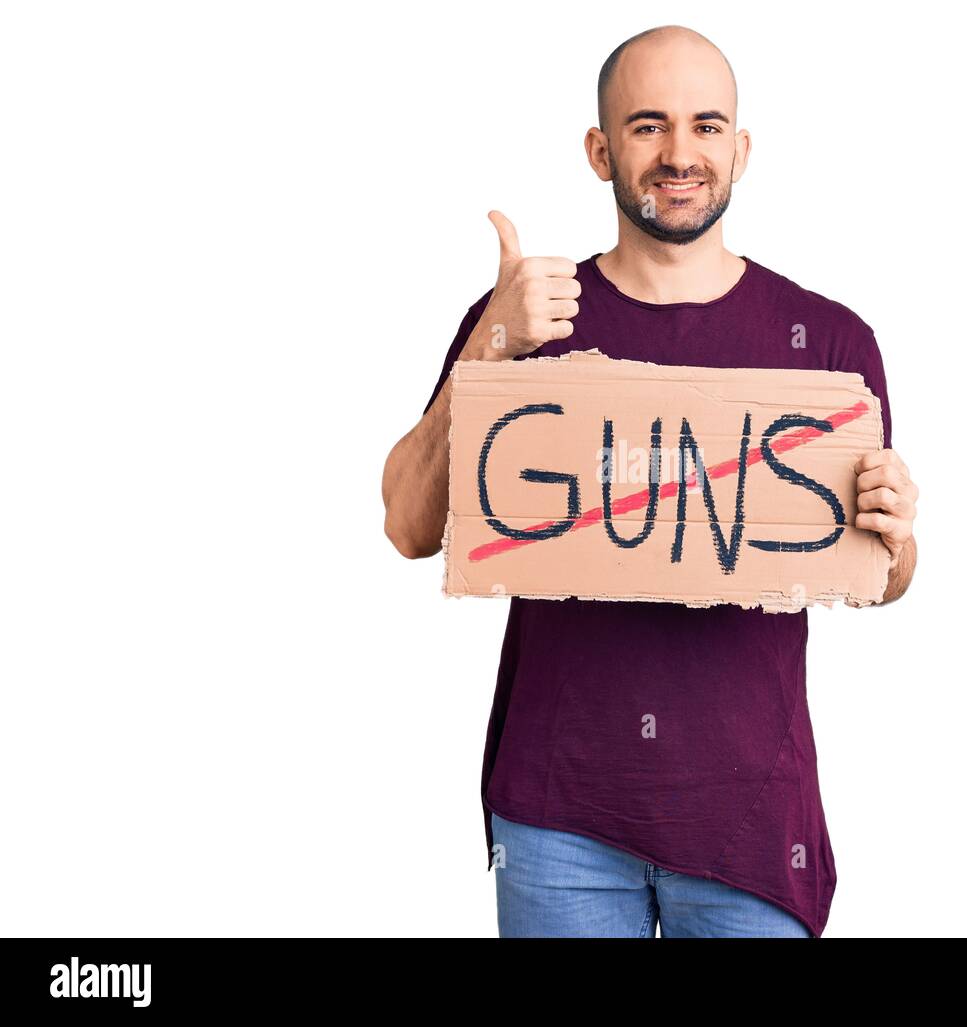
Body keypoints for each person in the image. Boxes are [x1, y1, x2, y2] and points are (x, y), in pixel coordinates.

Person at [381, 25, 919, 938]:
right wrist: (491, 346)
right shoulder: (522, 318)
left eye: (707, 126)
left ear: (740, 150)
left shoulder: (829, 348)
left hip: (751, 822)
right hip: (560, 818)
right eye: (646, 126)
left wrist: (897, 533)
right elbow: (406, 521)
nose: (680, 154)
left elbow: (880, 575)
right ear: (600, 151)